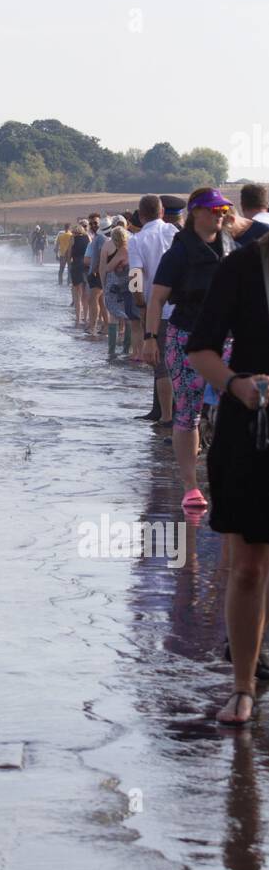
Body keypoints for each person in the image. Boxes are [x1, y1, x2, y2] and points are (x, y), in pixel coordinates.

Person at [188, 237, 269, 725]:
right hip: (252, 431)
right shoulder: (242, 267)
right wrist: (238, 385)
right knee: (250, 568)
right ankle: (244, 685)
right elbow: (201, 349)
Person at [144, 188, 236, 510]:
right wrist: (149, 337)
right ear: (196, 212)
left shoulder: (232, 247)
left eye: (225, 208)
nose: (220, 214)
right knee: (188, 410)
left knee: (238, 404)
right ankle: (190, 485)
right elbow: (156, 299)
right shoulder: (179, 254)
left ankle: (229, 474)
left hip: (228, 338)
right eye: (214, 208)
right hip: (186, 337)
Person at [128, 194, 177, 420]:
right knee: (171, 360)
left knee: (159, 363)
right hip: (179, 304)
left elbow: (135, 274)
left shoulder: (137, 240)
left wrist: (139, 302)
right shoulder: (174, 232)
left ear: (140, 214)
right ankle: (159, 410)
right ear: (162, 211)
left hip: (155, 306)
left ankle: (166, 416)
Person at [100, 224, 139, 359]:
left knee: (115, 317)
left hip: (118, 288)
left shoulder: (122, 251)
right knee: (130, 318)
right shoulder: (133, 249)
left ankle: (112, 351)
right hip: (132, 287)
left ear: (115, 240)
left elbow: (108, 268)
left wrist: (104, 281)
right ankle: (127, 350)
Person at [85, 214, 110, 335]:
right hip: (96, 272)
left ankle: (92, 326)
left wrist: (95, 268)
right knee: (100, 301)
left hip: (97, 273)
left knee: (92, 299)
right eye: (91, 223)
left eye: (95, 223)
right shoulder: (97, 237)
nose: (93, 225)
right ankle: (106, 325)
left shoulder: (101, 237)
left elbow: (102, 253)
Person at [69, 220, 90, 325]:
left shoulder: (72, 239)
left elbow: (69, 255)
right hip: (86, 266)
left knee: (77, 294)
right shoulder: (88, 238)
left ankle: (78, 318)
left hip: (76, 266)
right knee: (85, 294)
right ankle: (85, 318)